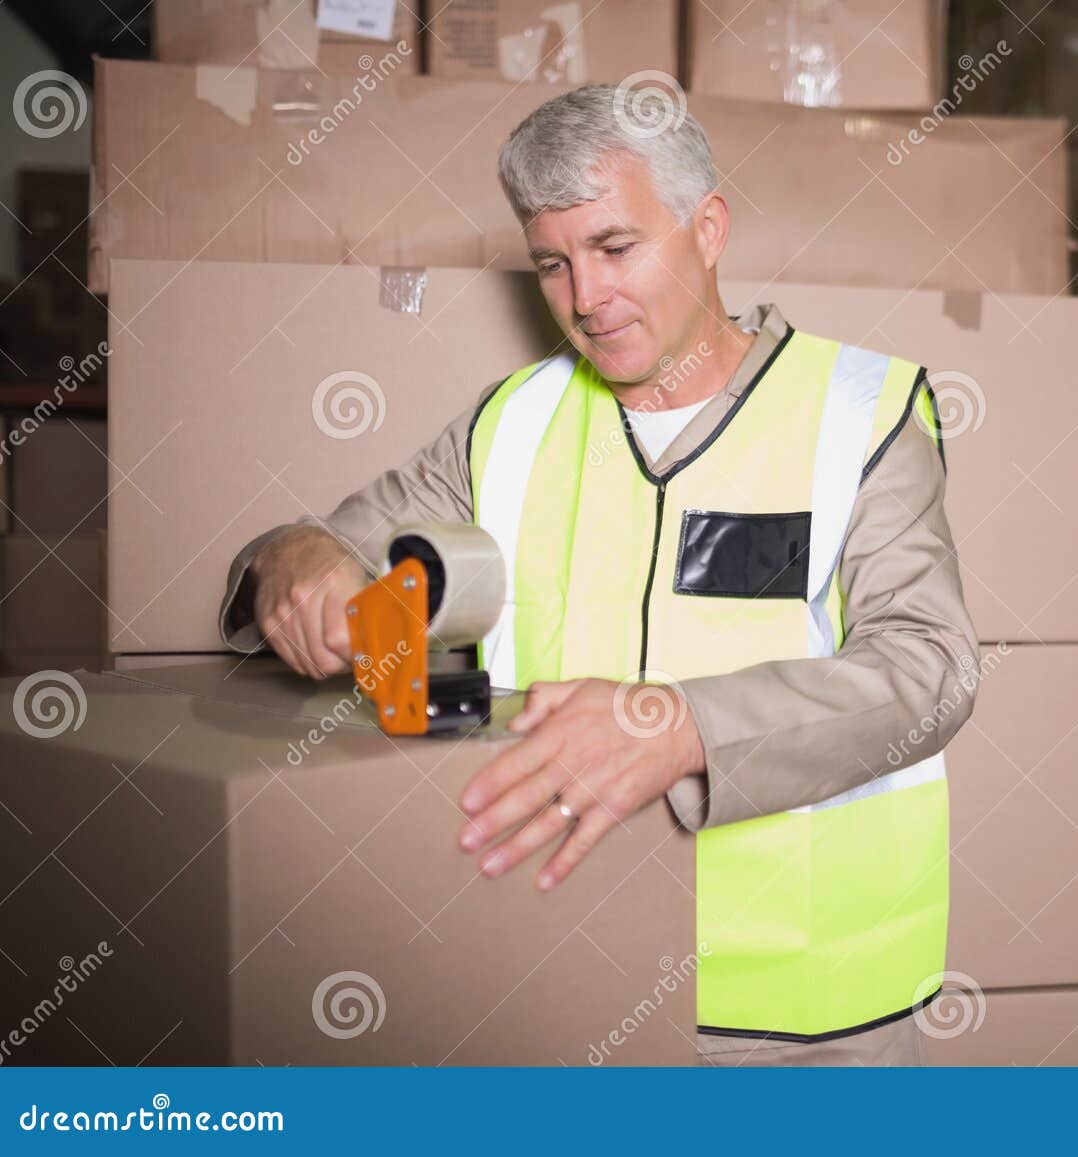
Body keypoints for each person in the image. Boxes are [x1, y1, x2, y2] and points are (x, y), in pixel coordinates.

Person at [218, 83, 977, 1067]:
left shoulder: (860, 412)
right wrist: (294, 558)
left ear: (707, 228)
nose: (584, 298)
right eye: (552, 263)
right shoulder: (513, 421)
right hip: (557, 980)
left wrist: (680, 724)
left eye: (616, 248)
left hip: (801, 1010)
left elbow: (930, 667)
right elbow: (323, 547)